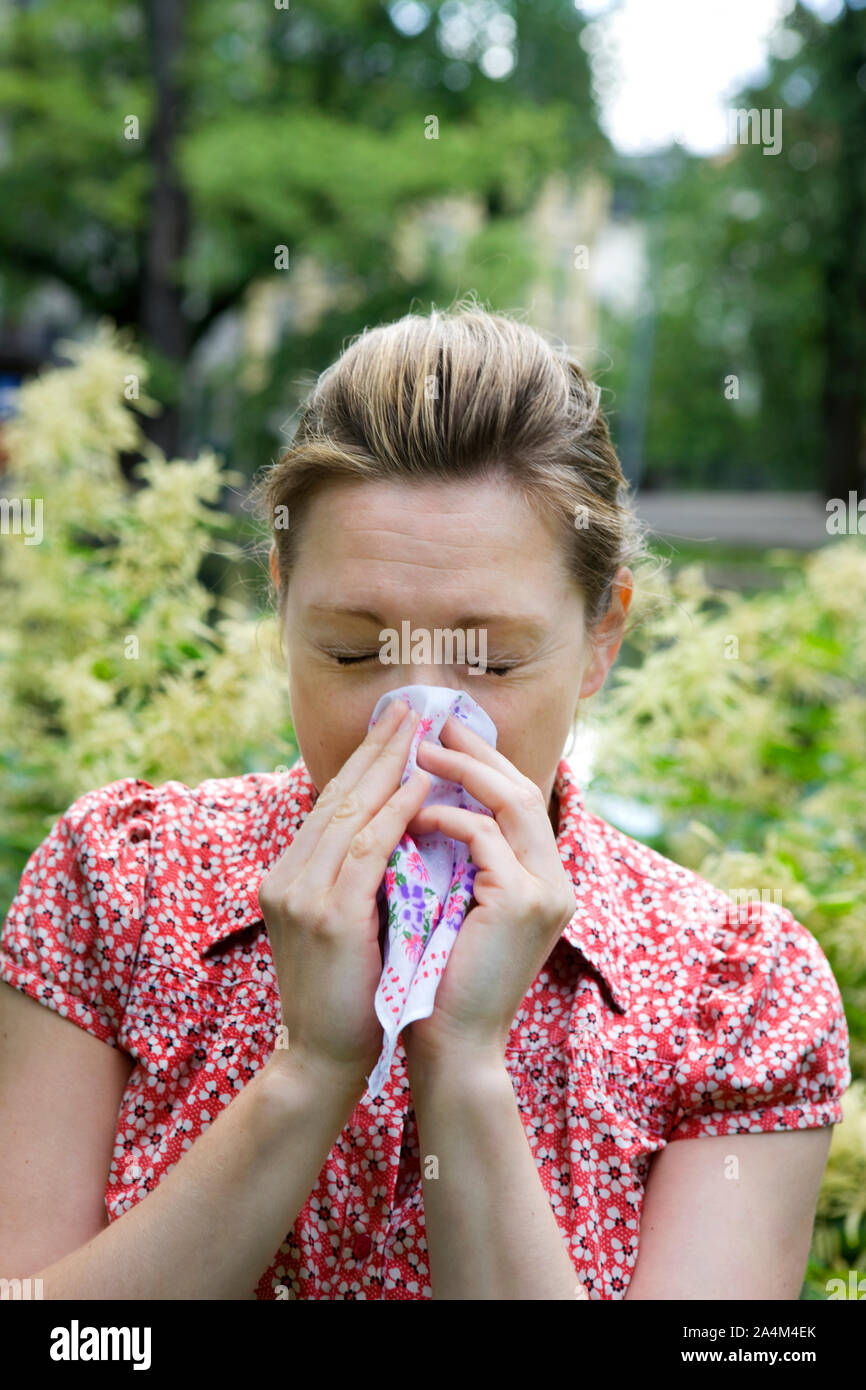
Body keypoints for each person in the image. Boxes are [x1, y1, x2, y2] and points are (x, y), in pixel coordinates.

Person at [0, 300, 851, 1300]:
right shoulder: (121, 880)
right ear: (280, 598)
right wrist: (309, 1072)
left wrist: (463, 1064)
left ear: (603, 636)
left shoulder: (732, 996)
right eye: (351, 650)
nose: (413, 727)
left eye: (490, 659)